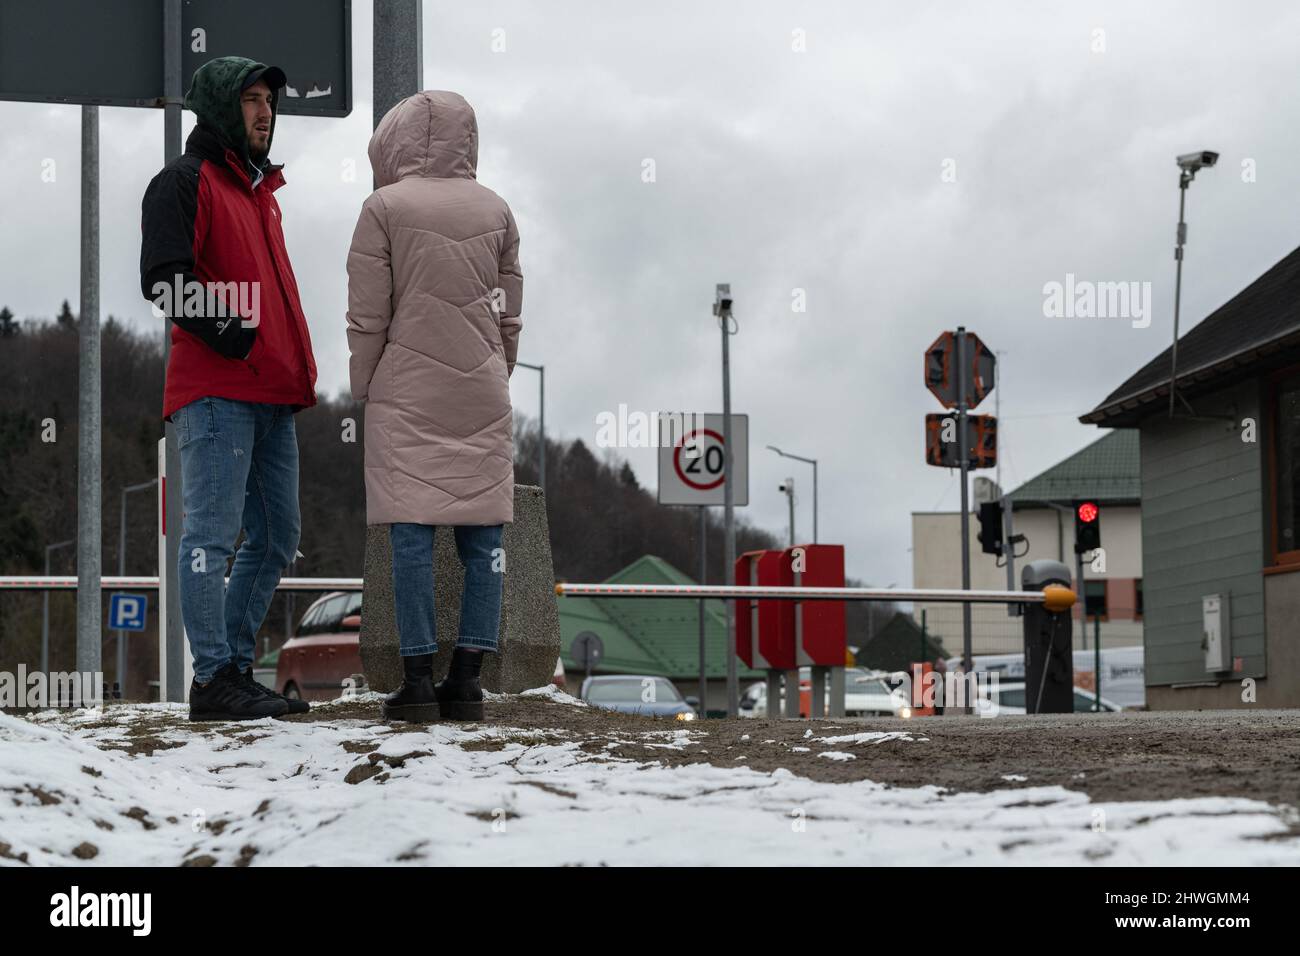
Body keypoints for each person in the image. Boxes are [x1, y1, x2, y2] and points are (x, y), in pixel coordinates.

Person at [139, 56, 318, 721]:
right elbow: (162, 277)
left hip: (275, 397)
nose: (265, 111)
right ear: (220, 107)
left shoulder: (260, 193)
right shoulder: (183, 181)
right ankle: (212, 676)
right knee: (208, 540)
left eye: (270, 99)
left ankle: (236, 667)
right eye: (250, 99)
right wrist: (235, 332)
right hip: (217, 391)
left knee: (276, 538)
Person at [346, 91, 523, 723]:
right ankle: (468, 682)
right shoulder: (497, 209)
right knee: (485, 542)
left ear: (395, 141)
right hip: (481, 390)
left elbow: (368, 316)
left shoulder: (383, 207)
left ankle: (418, 680)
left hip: (407, 389)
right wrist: (495, 373)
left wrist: (364, 386)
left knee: (412, 538)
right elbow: (509, 312)